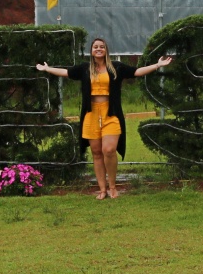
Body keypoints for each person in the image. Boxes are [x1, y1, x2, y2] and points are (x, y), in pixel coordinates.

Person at [37, 38, 171, 199]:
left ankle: (113, 187)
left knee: (109, 150)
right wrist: (47, 68)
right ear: (91, 51)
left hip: (111, 113)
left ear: (106, 49)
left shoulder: (116, 67)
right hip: (91, 114)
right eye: (95, 47)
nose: (99, 49)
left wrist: (157, 65)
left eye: (102, 46)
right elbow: (66, 72)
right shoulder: (85, 68)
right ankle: (102, 189)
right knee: (96, 152)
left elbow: (137, 72)